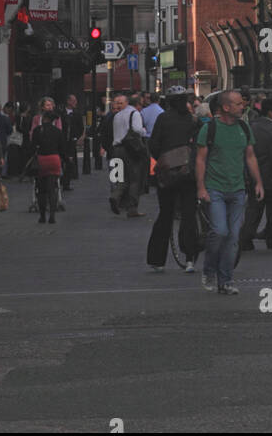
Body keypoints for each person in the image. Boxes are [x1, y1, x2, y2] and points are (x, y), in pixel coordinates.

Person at [195, 90, 263, 293]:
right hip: (215, 188)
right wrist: (201, 187)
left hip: (238, 189)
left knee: (233, 238)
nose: (243, 106)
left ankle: (225, 281)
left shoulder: (244, 127)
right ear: (226, 107)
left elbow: (250, 156)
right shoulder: (210, 129)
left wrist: (258, 182)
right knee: (220, 231)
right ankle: (209, 270)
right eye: (238, 104)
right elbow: (200, 159)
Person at [146, 88, 199, 272]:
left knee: (165, 214)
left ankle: (157, 259)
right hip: (188, 173)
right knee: (189, 214)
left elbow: (153, 144)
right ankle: (190, 257)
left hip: (168, 173)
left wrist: (163, 158)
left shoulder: (163, 119)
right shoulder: (192, 120)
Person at [239, 95, 272, 252]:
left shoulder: (250, 127)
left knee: (253, 209)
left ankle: (245, 238)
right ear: (270, 113)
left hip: (253, 175)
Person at [99, 93, 148, 217]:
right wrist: (144, 131)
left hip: (117, 149)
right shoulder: (134, 114)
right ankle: (132, 208)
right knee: (134, 178)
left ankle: (115, 196)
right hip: (130, 150)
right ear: (135, 104)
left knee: (121, 177)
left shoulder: (117, 115)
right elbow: (137, 130)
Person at [32, 109, 67, 225]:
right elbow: (62, 149)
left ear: (44, 119)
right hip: (54, 159)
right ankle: (52, 215)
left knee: (41, 190)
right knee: (53, 188)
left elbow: (32, 147)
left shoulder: (37, 130)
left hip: (42, 159)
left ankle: (42, 216)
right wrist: (66, 160)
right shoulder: (57, 131)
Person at [60, 94, 84, 190]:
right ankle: (61, 179)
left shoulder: (77, 114)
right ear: (68, 101)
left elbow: (80, 127)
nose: (75, 103)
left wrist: (77, 137)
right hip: (62, 140)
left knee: (70, 161)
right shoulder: (61, 113)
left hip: (71, 141)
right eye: (73, 101)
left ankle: (67, 182)